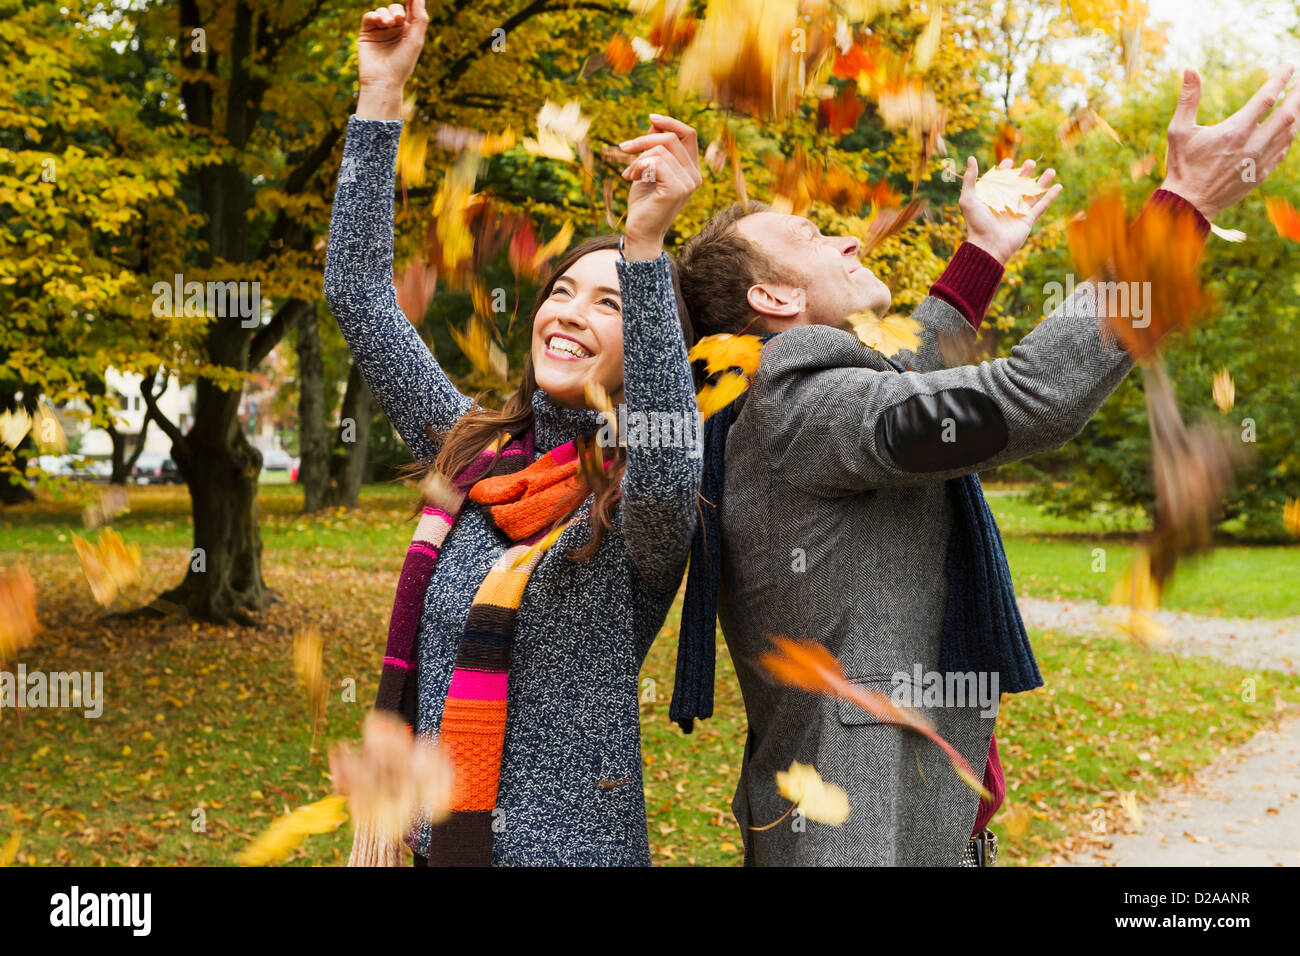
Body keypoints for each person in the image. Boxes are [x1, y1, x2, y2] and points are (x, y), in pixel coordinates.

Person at [673, 64, 1300, 866]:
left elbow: (905, 392)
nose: (849, 237)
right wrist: (1179, 213)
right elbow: (1027, 395)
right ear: (774, 301)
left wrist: (983, 253)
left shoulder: (798, 402)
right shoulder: (797, 403)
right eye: (810, 236)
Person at [323, 0, 704, 865]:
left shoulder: (636, 499)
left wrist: (645, 251)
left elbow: (670, 462)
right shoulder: (474, 450)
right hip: (427, 846)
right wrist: (381, 93)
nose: (570, 314)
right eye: (563, 290)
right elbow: (356, 295)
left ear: (648, 344)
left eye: (610, 304)